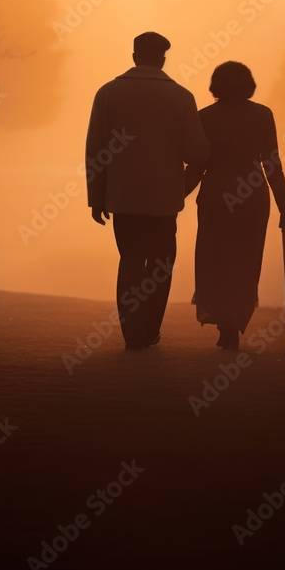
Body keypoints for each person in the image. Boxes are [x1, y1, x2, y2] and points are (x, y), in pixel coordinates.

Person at [86, 32, 209, 350]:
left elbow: (96, 150)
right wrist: (180, 191)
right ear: (163, 59)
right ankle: (150, 328)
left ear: (134, 56)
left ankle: (131, 333)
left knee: (129, 260)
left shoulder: (108, 93)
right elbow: (197, 156)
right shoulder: (181, 97)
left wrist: (96, 197)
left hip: (123, 199)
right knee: (160, 264)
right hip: (163, 202)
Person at [184, 61, 285, 350]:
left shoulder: (205, 117)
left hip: (216, 193)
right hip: (252, 195)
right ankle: (233, 319)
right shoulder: (262, 115)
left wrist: (176, 195)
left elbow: (197, 165)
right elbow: (272, 162)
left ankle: (225, 322)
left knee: (214, 258)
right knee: (244, 259)